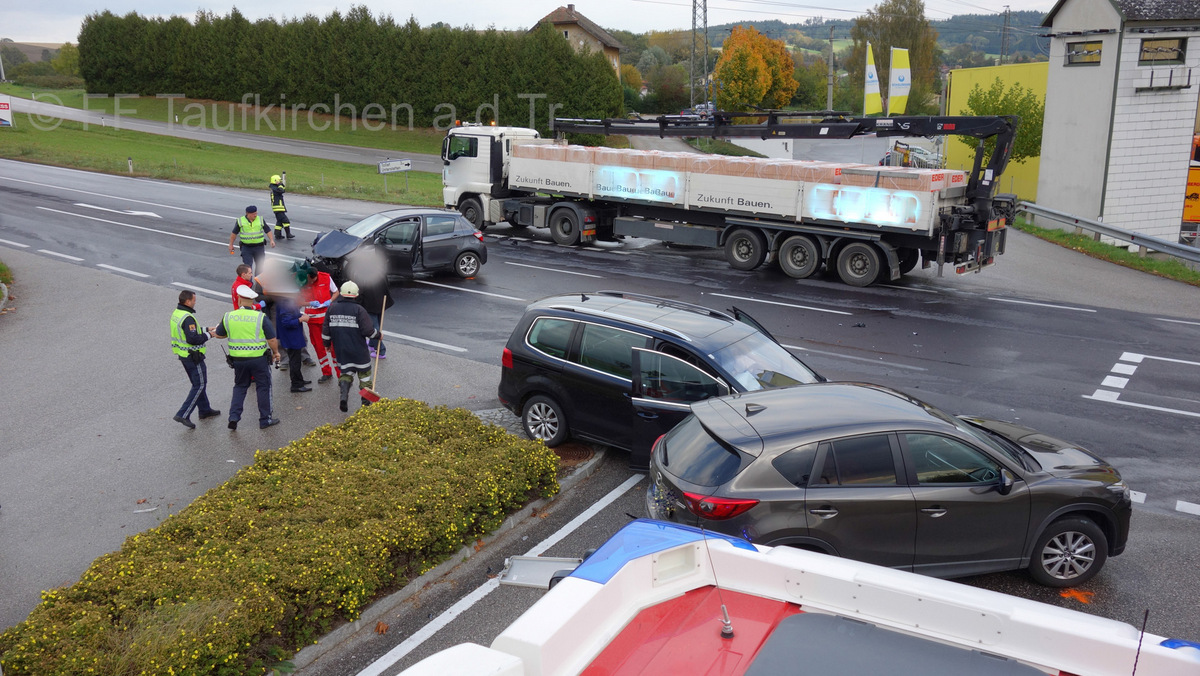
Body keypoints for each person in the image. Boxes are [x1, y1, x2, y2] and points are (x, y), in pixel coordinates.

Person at [213, 285, 281, 430]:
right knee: (263, 387)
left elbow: (219, 334)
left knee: (239, 387)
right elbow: (272, 339)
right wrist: (276, 352)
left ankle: (234, 417)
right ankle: (265, 419)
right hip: (259, 360)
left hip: (238, 361)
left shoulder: (228, 316)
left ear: (239, 300)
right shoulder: (260, 317)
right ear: (252, 301)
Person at [322, 281, 379, 412]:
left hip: (342, 350)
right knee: (364, 375)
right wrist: (379, 335)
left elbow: (325, 330)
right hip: (359, 351)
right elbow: (368, 331)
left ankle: (343, 395)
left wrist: (327, 344)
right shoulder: (359, 310)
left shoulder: (331, 308)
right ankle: (365, 403)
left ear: (341, 294)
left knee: (346, 373)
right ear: (356, 295)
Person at [170, 289, 221, 428]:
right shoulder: (188, 317)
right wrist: (211, 335)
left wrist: (207, 329)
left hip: (184, 355)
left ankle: (204, 410)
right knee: (199, 385)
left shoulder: (177, 313)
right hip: (193, 356)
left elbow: (191, 330)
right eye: (194, 300)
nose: (195, 302)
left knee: (197, 383)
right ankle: (183, 414)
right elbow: (193, 338)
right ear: (187, 301)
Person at [300, 265, 340, 383]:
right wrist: (309, 303)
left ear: (315, 276)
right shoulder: (301, 280)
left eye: (311, 280)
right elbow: (297, 300)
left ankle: (340, 374)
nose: (310, 282)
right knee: (318, 346)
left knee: (333, 346)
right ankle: (326, 372)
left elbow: (336, 292)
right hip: (312, 320)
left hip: (327, 319)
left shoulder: (326, 278)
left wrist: (330, 301)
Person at [275, 293, 312, 392]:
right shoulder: (285, 304)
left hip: (292, 336)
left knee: (296, 358)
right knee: (294, 360)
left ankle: (299, 380)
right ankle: (296, 384)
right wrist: (301, 319)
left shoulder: (285, 301)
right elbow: (287, 322)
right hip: (292, 337)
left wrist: (300, 315)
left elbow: (292, 314)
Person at [354, 276, 393, 360]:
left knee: (373, 328)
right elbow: (386, 284)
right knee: (378, 323)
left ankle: (380, 350)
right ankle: (372, 344)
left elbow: (360, 292)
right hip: (381, 300)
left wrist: (357, 304)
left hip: (369, 303)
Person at [228, 205, 276, 273]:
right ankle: (248, 283)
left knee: (260, 267)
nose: (255, 215)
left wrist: (271, 240)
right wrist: (231, 244)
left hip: (259, 247)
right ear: (247, 213)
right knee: (247, 268)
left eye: (256, 213)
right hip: (246, 248)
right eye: (253, 214)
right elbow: (234, 233)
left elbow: (267, 230)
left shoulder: (260, 219)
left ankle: (258, 283)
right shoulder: (241, 221)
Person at [269, 174, 294, 240]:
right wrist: (280, 185)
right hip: (278, 207)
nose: (280, 182)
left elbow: (283, 189)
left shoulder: (274, 187)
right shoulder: (275, 188)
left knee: (279, 221)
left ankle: (277, 235)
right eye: (279, 180)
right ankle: (288, 234)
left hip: (278, 207)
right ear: (275, 181)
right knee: (286, 221)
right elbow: (281, 190)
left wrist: (281, 185)